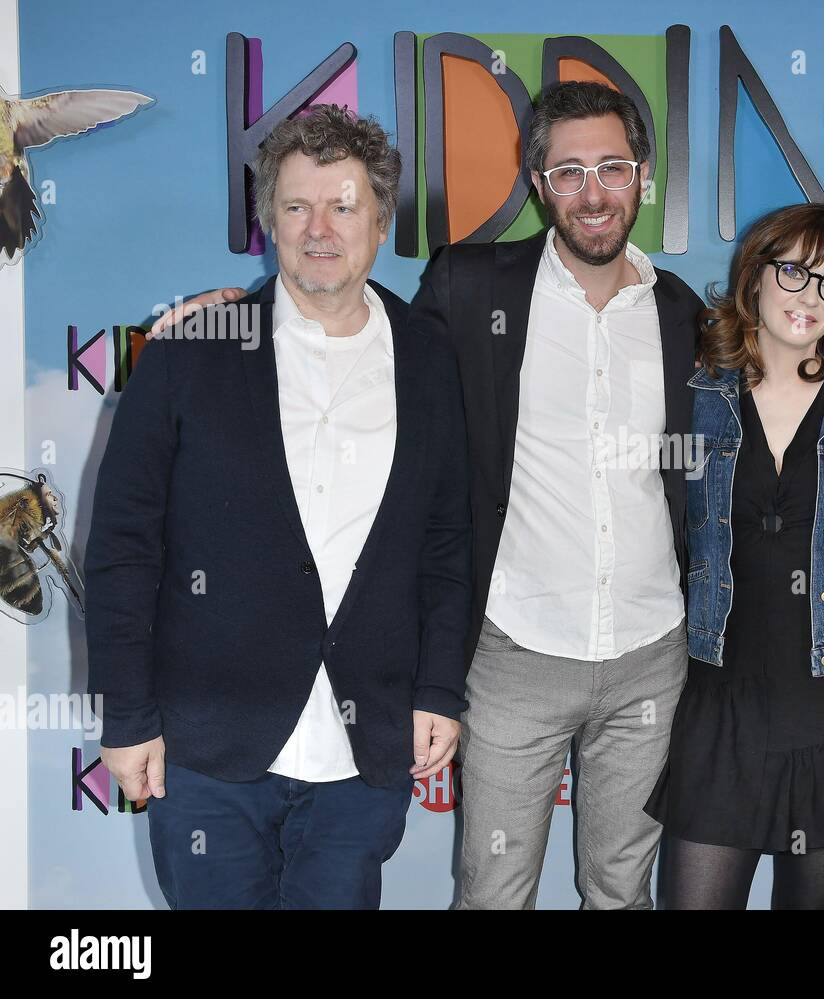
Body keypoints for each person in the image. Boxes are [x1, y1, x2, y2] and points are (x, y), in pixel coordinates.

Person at [152, 82, 705, 910]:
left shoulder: (683, 313)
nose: (594, 192)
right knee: (492, 892)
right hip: (517, 649)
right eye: (569, 172)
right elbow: (341, 321)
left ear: (645, 177)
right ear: (537, 181)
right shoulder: (474, 287)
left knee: (623, 889)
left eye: (614, 168)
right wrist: (235, 312)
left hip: (652, 654)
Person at [85, 105, 473, 908]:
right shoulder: (191, 350)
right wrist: (126, 715)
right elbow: (125, 546)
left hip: (363, 749)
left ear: (378, 220)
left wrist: (439, 688)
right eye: (297, 206)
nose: (320, 228)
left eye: (343, 205)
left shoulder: (430, 358)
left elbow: (446, 539)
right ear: (270, 222)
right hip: (206, 749)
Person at [644, 203, 824, 909]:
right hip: (718, 707)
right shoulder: (694, 395)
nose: (811, 296)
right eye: (794, 270)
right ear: (754, 274)